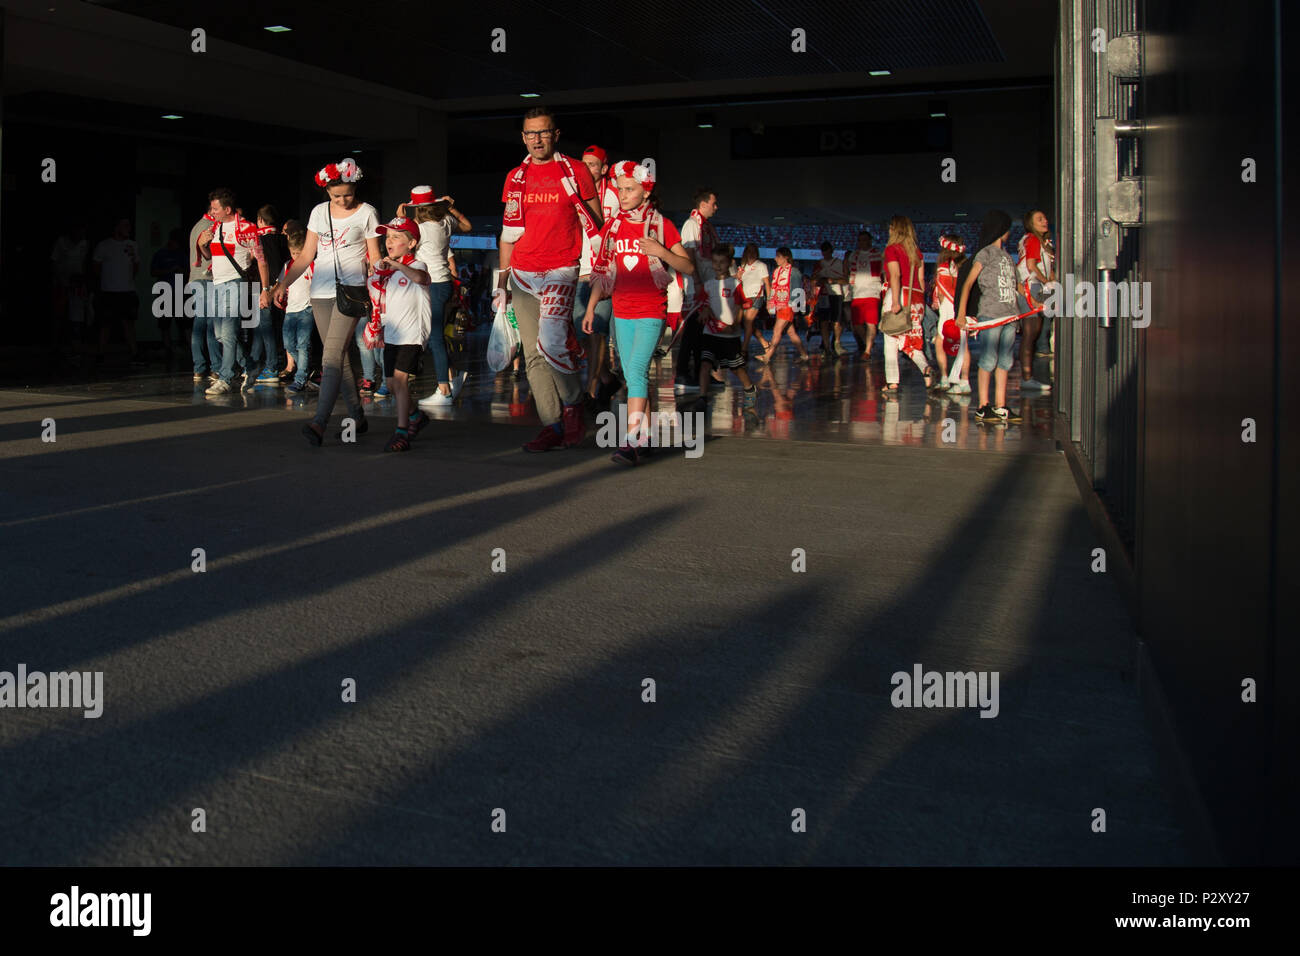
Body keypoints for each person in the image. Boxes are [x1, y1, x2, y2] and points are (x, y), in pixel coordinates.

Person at [496, 105, 603, 453]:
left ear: (555, 135)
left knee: (553, 342)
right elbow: (508, 235)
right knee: (532, 354)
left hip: (561, 268)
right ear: (523, 137)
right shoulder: (516, 176)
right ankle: (552, 424)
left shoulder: (574, 171)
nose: (536, 139)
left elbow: (596, 222)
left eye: (543, 132)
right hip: (523, 273)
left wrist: (600, 266)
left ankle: (573, 406)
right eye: (530, 133)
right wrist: (501, 284)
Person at [584, 161, 693, 466]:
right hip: (621, 311)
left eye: (629, 189)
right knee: (635, 377)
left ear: (645, 191)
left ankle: (632, 442)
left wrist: (662, 252)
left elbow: (688, 266)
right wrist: (592, 307)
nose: (622, 194)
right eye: (619, 188)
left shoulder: (662, 225)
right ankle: (645, 440)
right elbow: (604, 270)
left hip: (650, 311)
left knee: (635, 372)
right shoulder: (614, 227)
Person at [269, 158, 381, 445]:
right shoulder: (319, 212)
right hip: (319, 292)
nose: (343, 200)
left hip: (352, 291)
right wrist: (283, 284)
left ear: (356, 188)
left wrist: (383, 288)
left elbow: (375, 256)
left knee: (330, 357)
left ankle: (319, 422)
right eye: (336, 195)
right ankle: (356, 416)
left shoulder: (367, 213)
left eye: (348, 194)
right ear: (327, 192)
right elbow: (307, 255)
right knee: (339, 357)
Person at [400, 186, 473, 409]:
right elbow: (468, 226)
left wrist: (399, 217)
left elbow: (401, 242)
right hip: (444, 283)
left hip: (431, 284)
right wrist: (452, 208)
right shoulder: (446, 223)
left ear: (418, 209)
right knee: (437, 336)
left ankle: (444, 390)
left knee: (435, 339)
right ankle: (452, 375)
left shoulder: (419, 229)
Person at [364, 217, 433, 451]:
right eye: (387, 237)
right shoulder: (388, 272)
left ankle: (401, 432)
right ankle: (415, 416)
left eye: (396, 237)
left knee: (401, 382)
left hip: (412, 335)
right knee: (392, 384)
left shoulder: (418, 265)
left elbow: (420, 278)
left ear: (411, 243)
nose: (389, 241)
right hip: (392, 335)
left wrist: (398, 266)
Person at [198, 191, 271, 394]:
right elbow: (209, 257)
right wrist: (202, 244)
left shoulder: (246, 228)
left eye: (215, 209)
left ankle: (226, 377)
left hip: (235, 283)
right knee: (219, 335)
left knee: (228, 333)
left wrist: (265, 290)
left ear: (227, 209)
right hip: (217, 283)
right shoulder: (216, 227)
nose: (212, 212)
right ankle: (249, 365)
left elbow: (262, 260)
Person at [957, 209, 1023, 425]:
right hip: (991, 315)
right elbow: (968, 283)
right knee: (988, 359)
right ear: (1001, 230)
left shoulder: (1007, 257)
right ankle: (983, 405)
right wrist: (961, 314)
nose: (1009, 233)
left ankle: (1000, 405)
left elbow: (1018, 287)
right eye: (1007, 229)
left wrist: (1034, 303)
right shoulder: (984, 254)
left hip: (1009, 316)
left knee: (1005, 360)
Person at [696, 245, 758, 417]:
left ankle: (749, 388)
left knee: (736, 368)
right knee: (705, 364)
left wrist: (736, 324)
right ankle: (702, 397)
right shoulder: (708, 285)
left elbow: (740, 305)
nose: (718, 266)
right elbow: (703, 305)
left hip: (729, 335)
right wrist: (705, 311)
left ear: (729, 263)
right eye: (715, 262)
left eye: (722, 262)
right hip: (711, 333)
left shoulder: (735, 284)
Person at [674, 186, 720, 394]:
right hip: (696, 287)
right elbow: (690, 254)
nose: (716, 208)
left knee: (704, 333)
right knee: (692, 331)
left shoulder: (707, 227)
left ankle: (702, 372)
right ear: (703, 204)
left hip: (708, 286)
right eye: (713, 204)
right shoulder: (692, 225)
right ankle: (683, 373)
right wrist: (697, 280)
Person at [880, 215, 932, 392]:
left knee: (891, 339)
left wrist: (895, 301)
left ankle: (892, 381)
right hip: (916, 297)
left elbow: (895, 275)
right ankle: (925, 368)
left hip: (899, 294)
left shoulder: (891, 250)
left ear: (894, 229)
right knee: (910, 340)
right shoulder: (916, 252)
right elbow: (921, 280)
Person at [91, 218, 143, 366]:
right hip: (109, 290)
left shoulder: (132, 245)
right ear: (117, 227)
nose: (128, 228)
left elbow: (136, 267)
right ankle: (100, 353)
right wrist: (107, 280)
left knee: (129, 323)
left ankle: (134, 352)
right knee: (105, 323)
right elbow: (96, 266)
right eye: (124, 226)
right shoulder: (104, 245)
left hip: (127, 290)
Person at [249, 205, 288, 386]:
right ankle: (254, 362)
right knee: (267, 328)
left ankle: (271, 366)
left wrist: (265, 289)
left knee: (265, 329)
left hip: (264, 289)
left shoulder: (259, 240)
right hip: (283, 288)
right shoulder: (284, 239)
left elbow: (259, 264)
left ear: (260, 221)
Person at [1016, 209, 1055, 392]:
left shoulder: (1041, 242)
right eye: (1040, 219)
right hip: (1032, 286)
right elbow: (1031, 267)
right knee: (1030, 332)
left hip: (1037, 286)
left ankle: (1029, 375)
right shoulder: (1032, 239)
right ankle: (1026, 377)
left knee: (1035, 330)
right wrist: (1047, 282)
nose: (1045, 221)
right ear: (1031, 223)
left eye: (1045, 218)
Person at [276, 220, 315, 394]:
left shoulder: (311, 265)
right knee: (289, 344)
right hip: (290, 311)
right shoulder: (287, 266)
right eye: (293, 253)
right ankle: (304, 371)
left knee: (303, 344)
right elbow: (281, 284)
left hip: (306, 310)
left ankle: (301, 377)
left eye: (299, 253)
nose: (296, 257)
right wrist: (277, 295)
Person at [932, 234, 971, 393]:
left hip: (948, 309)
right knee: (964, 345)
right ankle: (964, 380)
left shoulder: (943, 267)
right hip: (964, 308)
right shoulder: (966, 266)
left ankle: (944, 378)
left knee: (940, 342)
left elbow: (941, 294)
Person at [758, 247, 811, 365]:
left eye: (778, 256)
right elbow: (774, 288)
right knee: (791, 333)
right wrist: (770, 302)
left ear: (786, 257)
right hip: (779, 306)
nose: (775, 258)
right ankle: (804, 355)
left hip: (788, 305)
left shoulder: (794, 272)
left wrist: (793, 305)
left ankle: (767, 356)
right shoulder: (777, 271)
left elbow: (798, 289)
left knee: (777, 330)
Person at [149, 229, 190, 366]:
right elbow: (153, 271)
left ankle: (189, 348)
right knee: (164, 322)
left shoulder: (182, 255)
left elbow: (189, 271)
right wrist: (169, 270)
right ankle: (167, 348)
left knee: (183, 322)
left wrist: (181, 271)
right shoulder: (160, 254)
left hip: (180, 291)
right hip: (164, 291)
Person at [50, 222, 89, 365]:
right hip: (62, 283)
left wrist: (82, 282)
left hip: (77, 284)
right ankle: (56, 346)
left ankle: (75, 347)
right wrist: (60, 281)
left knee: (76, 316)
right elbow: (54, 263)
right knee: (59, 315)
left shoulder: (84, 244)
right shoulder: (62, 242)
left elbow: (83, 263)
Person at [188, 208, 220, 384]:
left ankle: (199, 368)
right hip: (206, 278)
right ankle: (215, 367)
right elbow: (208, 252)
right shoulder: (210, 226)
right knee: (210, 324)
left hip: (196, 278)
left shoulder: (197, 226)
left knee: (200, 323)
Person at [844, 231, 883, 357]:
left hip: (872, 292)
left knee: (871, 323)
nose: (862, 242)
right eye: (860, 240)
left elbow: (884, 271)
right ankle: (868, 343)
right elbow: (847, 267)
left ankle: (867, 351)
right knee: (856, 324)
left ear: (870, 240)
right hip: (857, 293)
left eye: (865, 240)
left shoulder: (878, 254)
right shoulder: (854, 255)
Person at [735, 243, 771, 360]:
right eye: (748, 251)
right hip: (744, 297)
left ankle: (744, 350)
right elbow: (738, 280)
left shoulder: (761, 266)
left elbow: (767, 283)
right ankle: (765, 343)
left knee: (748, 322)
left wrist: (769, 299)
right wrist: (738, 275)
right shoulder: (743, 266)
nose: (750, 253)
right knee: (746, 324)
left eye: (753, 251)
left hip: (756, 297)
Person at [811, 240, 847, 356]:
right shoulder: (819, 264)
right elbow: (814, 280)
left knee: (836, 322)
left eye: (827, 252)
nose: (825, 254)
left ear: (832, 251)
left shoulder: (839, 263)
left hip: (836, 294)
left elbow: (845, 279)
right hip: (824, 295)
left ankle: (836, 343)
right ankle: (826, 348)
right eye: (823, 252)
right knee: (824, 322)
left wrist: (833, 280)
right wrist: (820, 281)